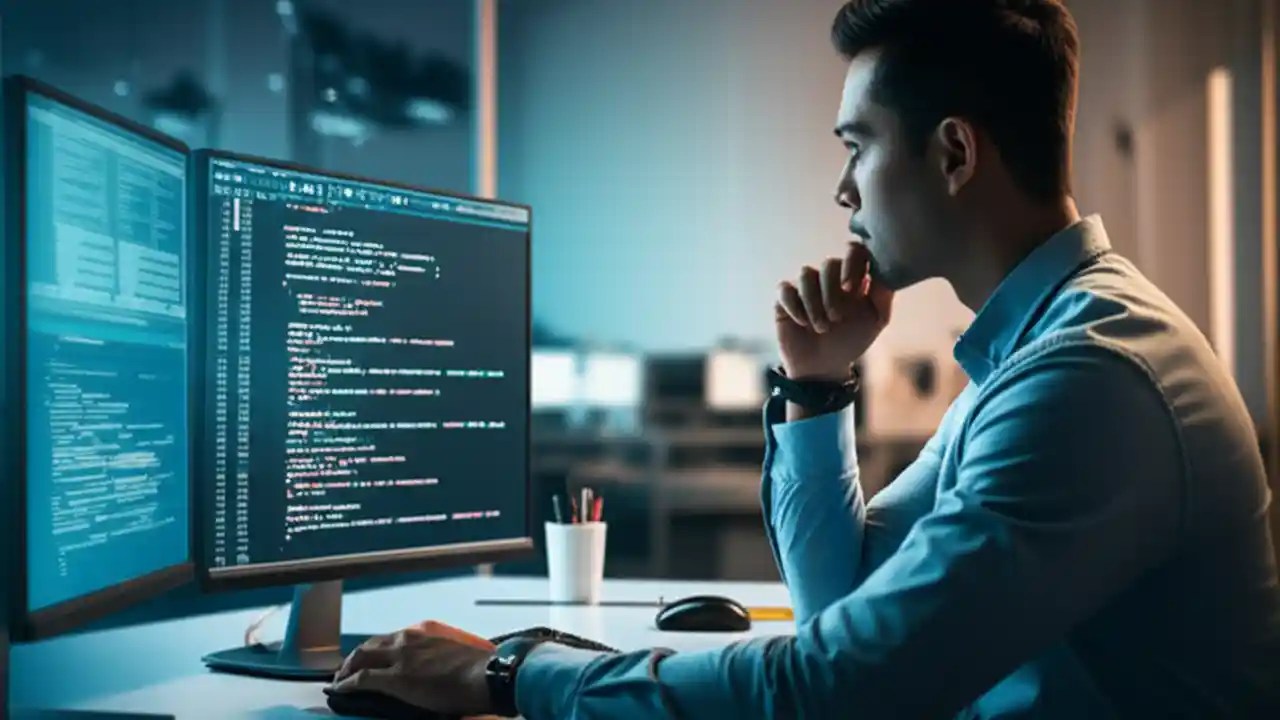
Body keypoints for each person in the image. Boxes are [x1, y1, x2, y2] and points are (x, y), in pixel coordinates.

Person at [329, 0, 1280, 716]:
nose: (843, 190)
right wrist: (818, 386)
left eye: (857, 146)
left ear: (954, 154)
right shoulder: (1036, 352)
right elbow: (844, 610)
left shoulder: (1089, 379)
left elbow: (841, 688)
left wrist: (510, 673)